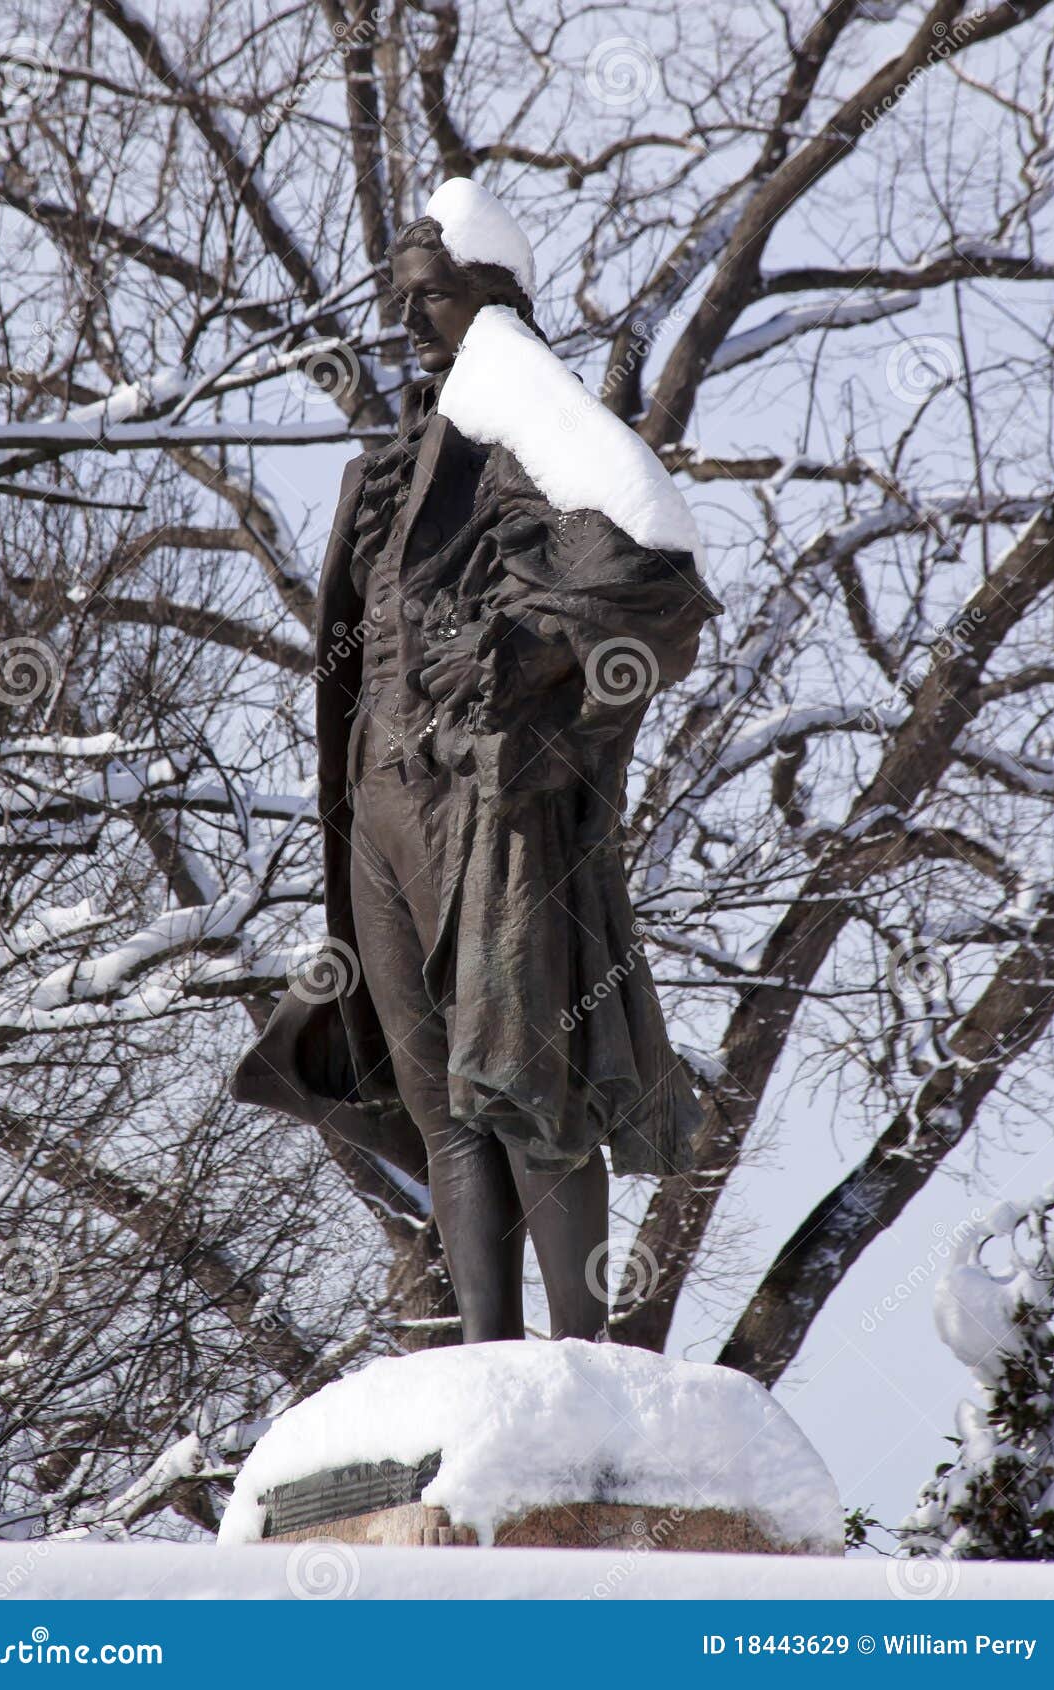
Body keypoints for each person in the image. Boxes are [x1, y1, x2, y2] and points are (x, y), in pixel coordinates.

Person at [233, 178, 722, 1343]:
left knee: (526, 1083)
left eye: (433, 296)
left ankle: (581, 1359)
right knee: (435, 1100)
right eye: (402, 298)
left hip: (483, 811)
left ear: (493, 302)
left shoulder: (532, 433)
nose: (409, 320)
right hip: (375, 809)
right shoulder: (387, 471)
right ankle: (485, 1363)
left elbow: (659, 585)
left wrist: (528, 648)